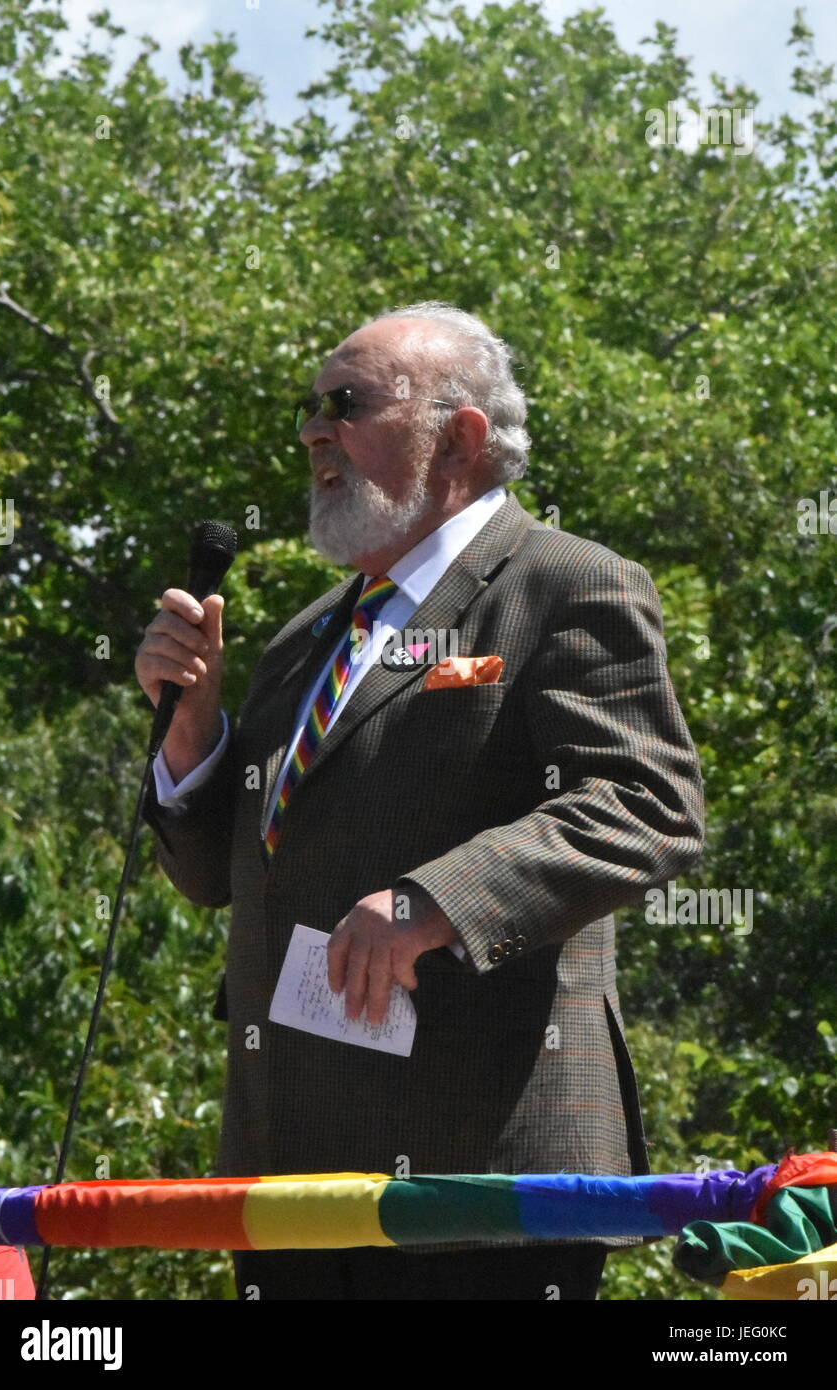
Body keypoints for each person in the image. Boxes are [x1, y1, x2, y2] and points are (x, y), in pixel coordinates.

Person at [136, 301, 705, 1300]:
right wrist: (190, 736)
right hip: (291, 1181)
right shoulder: (302, 640)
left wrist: (431, 900)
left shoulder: (565, 586)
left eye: (348, 403)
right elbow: (213, 878)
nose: (315, 430)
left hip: (478, 1180)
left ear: (462, 435)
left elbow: (642, 800)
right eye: (311, 408)